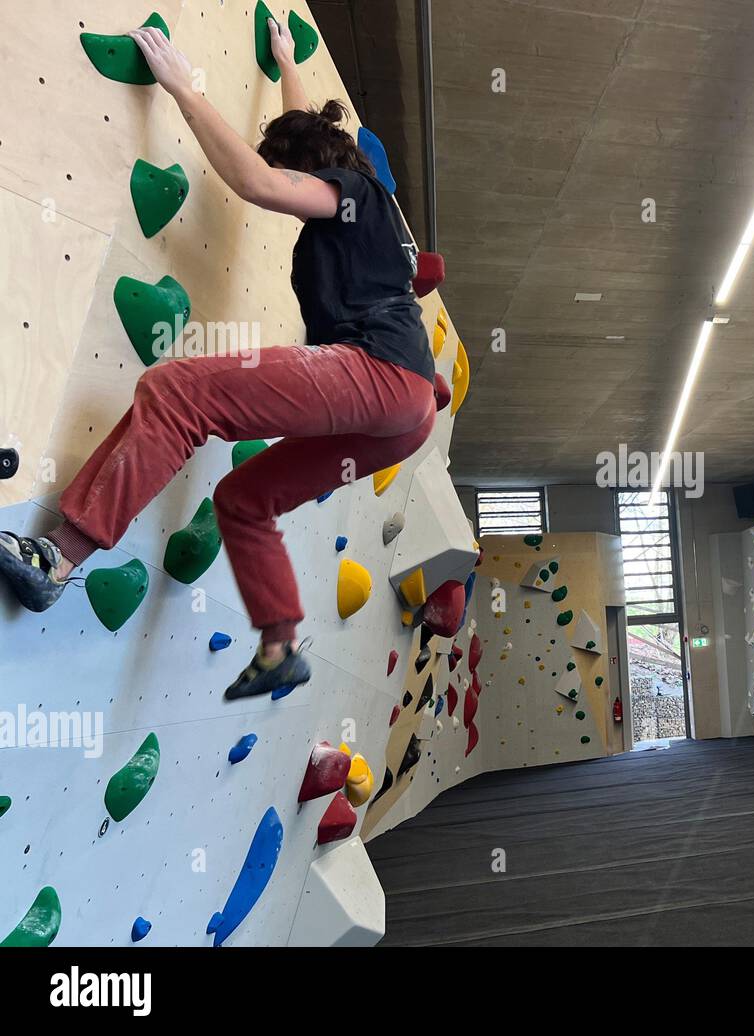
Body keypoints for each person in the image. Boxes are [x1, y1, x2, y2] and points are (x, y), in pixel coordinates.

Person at [0, 21, 437, 700]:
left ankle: (58, 558)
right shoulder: (367, 195)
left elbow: (261, 182)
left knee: (179, 391)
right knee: (243, 497)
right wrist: (289, 62)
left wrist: (183, 89)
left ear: (316, 170)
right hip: (403, 416)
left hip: (378, 373)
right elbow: (313, 136)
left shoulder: (349, 195)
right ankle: (280, 643)